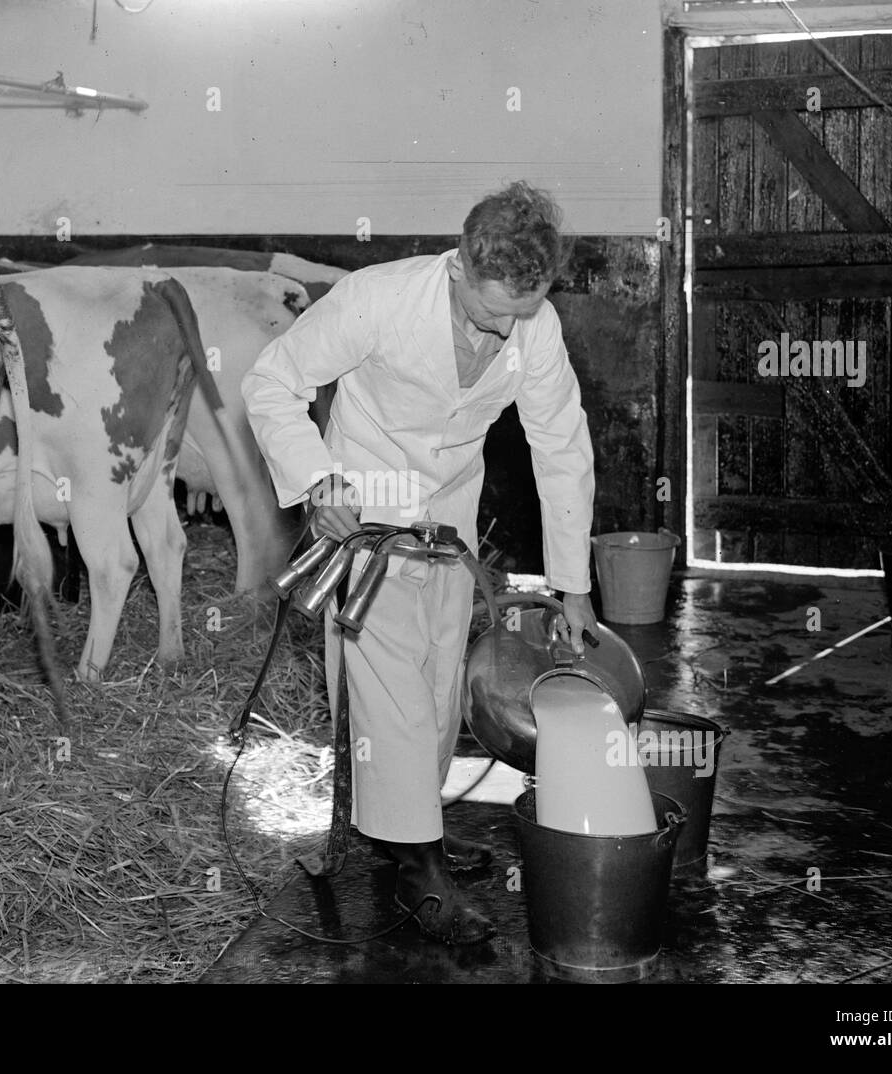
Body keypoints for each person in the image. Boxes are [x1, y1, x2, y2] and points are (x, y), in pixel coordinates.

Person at [240, 181, 597, 944]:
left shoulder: (535, 328)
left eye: (521, 312)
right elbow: (271, 381)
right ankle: (418, 874)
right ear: (460, 265)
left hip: (448, 535)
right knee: (392, 707)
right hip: (365, 537)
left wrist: (573, 584)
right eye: (493, 309)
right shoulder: (378, 300)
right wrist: (315, 480)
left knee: (436, 704)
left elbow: (561, 445)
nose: (505, 330)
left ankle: (406, 828)